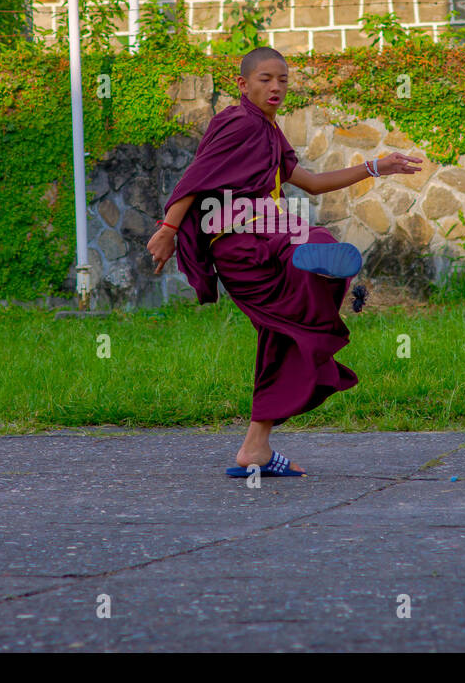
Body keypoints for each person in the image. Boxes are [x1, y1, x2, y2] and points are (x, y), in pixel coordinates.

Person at [147, 46, 422, 477]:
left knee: (290, 334)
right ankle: (316, 265)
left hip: (266, 232)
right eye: (265, 79)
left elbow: (311, 183)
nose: (276, 87)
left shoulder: (270, 131)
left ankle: (254, 449)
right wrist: (168, 228)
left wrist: (375, 166)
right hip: (241, 239)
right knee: (311, 240)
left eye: (283, 80)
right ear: (242, 84)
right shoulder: (235, 121)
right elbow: (195, 177)